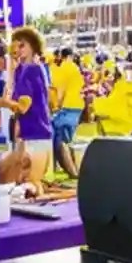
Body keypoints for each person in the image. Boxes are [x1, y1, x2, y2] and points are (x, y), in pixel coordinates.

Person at [0, 28, 53, 186]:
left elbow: (22, 106)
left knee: (29, 185)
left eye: (22, 45)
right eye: (15, 46)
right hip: (31, 134)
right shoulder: (24, 70)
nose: (17, 49)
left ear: (33, 47)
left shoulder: (31, 70)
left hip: (36, 136)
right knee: (25, 185)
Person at [50, 48, 84, 177]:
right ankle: (73, 169)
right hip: (78, 106)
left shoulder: (64, 68)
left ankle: (72, 171)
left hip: (67, 106)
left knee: (60, 139)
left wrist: (56, 106)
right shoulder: (76, 68)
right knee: (67, 139)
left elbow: (60, 90)